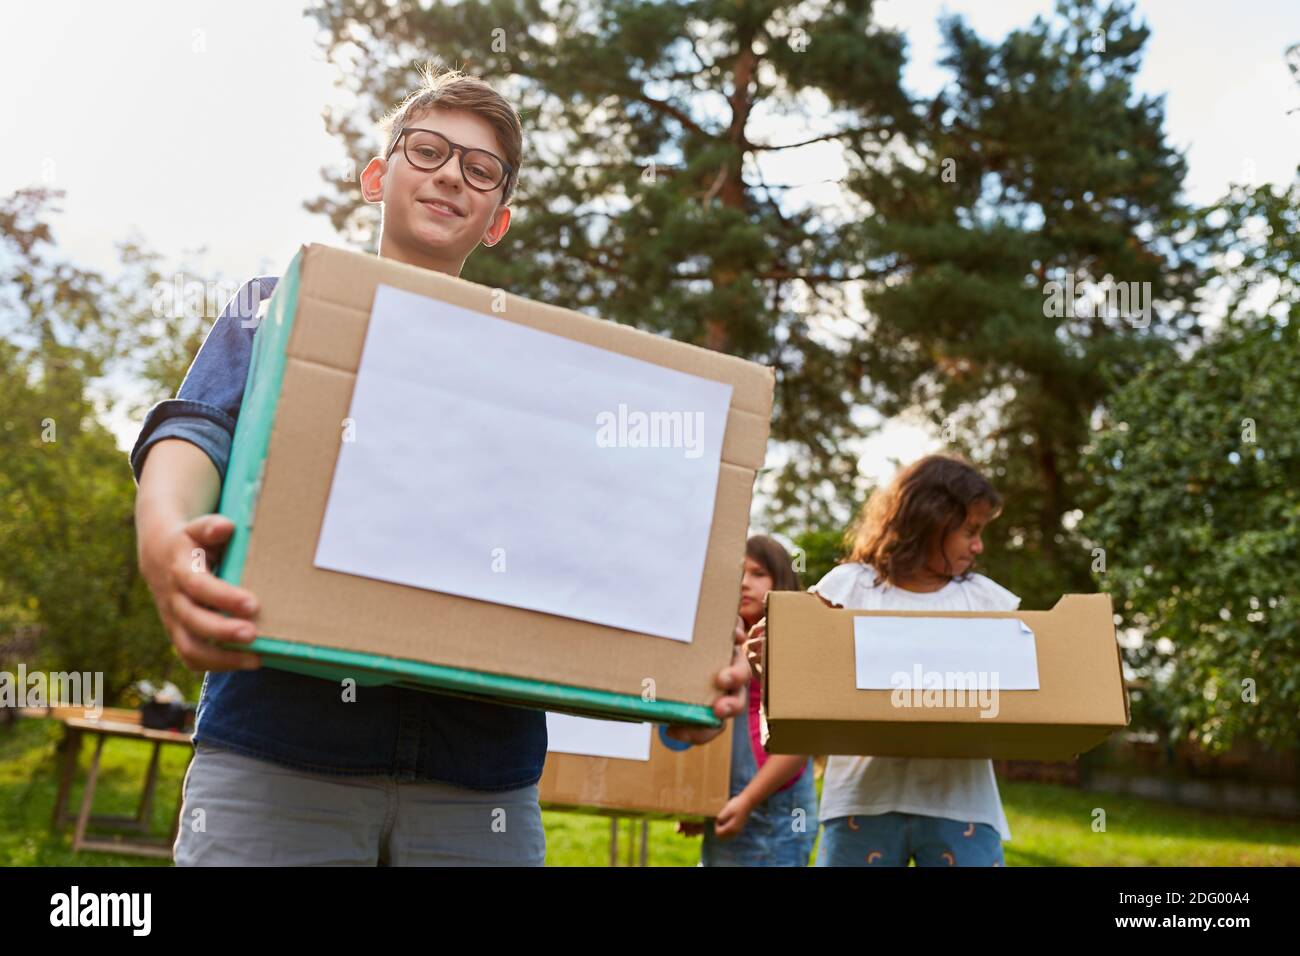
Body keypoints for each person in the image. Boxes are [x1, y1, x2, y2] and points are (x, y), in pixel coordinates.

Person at [132, 65, 747, 866]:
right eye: (428, 151)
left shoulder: (551, 375)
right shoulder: (272, 304)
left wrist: (692, 662)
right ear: (377, 177)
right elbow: (197, 433)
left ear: (497, 220)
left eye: (481, 169)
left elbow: (613, 547)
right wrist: (163, 536)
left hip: (478, 783)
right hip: (279, 751)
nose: (452, 173)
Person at [746, 454, 1019, 866]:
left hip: (961, 803)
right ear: (931, 520)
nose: (978, 546)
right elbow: (798, 674)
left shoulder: (985, 600)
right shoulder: (849, 588)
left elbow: (1024, 688)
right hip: (862, 799)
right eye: (970, 531)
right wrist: (768, 660)